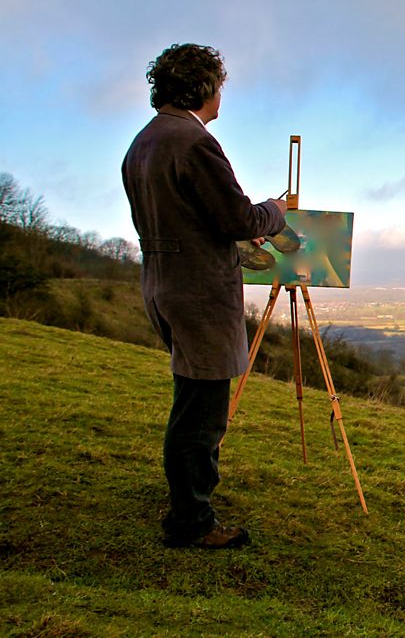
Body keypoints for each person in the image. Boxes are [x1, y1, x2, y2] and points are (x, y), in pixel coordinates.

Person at [122, 43, 287, 549]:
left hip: (164, 284)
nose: (222, 95)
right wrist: (273, 212)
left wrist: (230, 230)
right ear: (203, 87)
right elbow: (237, 217)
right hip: (197, 292)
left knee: (190, 400)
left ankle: (187, 499)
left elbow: (189, 219)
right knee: (202, 411)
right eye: (219, 84)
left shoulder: (144, 142)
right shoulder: (192, 142)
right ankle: (191, 520)